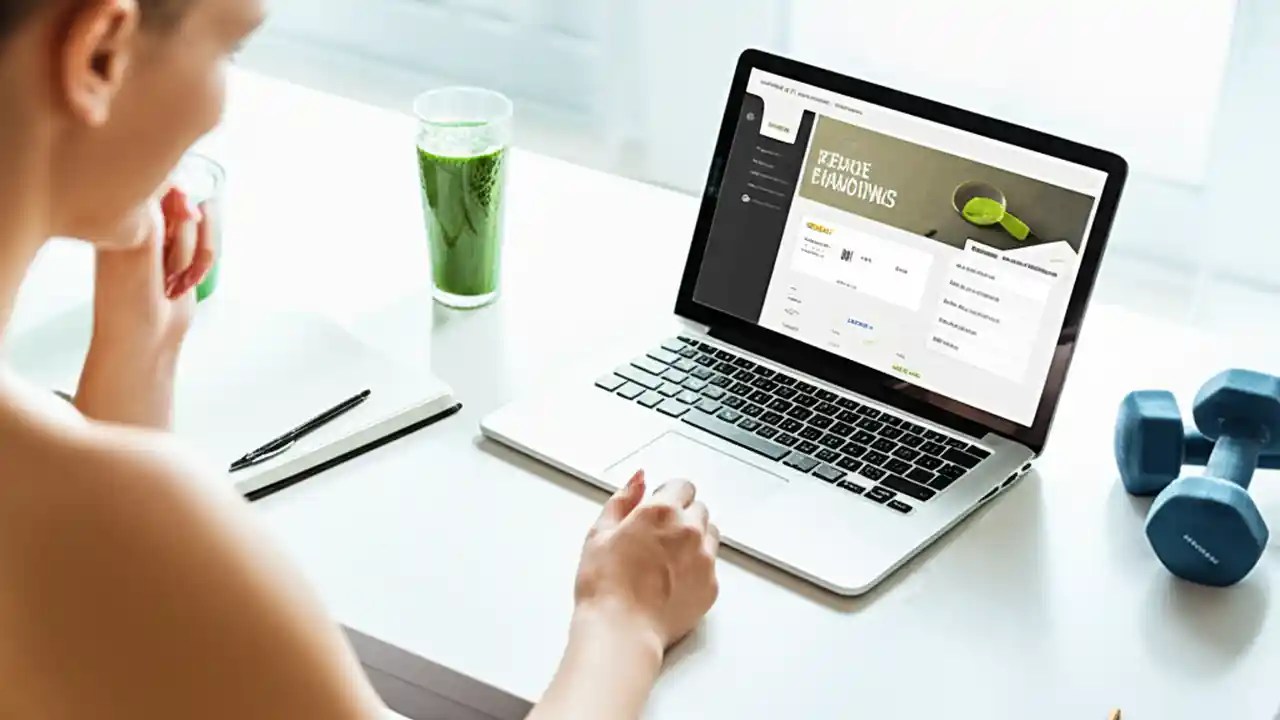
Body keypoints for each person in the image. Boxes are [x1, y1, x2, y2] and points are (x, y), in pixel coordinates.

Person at [0, 1, 720, 718]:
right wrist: (624, 617)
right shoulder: (145, 512)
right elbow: (111, 537)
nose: (220, 109)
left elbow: (97, 604)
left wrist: (138, 350)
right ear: (100, 54)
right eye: (228, 51)